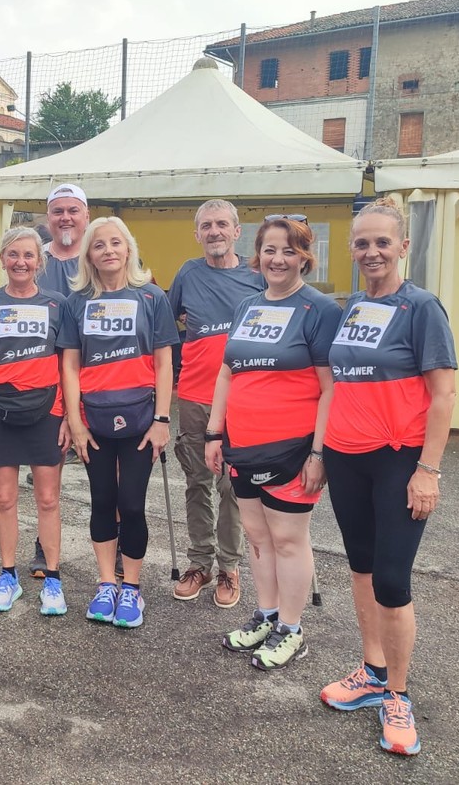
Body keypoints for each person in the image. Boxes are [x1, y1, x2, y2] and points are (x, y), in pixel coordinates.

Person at [319, 198, 457, 757]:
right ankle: (372, 672)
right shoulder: (351, 306)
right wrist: (322, 452)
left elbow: (444, 393)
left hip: (399, 459)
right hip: (346, 455)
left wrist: (428, 469)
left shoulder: (422, 307)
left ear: (402, 246)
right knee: (361, 567)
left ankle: (397, 695)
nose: (371, 252)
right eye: (361, 243)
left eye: (382, 242)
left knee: (392, 581)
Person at [204, 217, 342, 670]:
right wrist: (214, 432)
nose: (278, 259)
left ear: (305, 256)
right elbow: (227, 373)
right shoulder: (249, 306)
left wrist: (319, 453)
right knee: (258, 537)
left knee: (287, 539)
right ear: (256, 255)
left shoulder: (319, 309)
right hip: (243, 446)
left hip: (293, 449)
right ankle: (265, 615)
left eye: (289, 251)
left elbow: (330, 389)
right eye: (269, 250)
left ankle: (292, 628)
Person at [59, 217, 178, 629]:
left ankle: (132, 588)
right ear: (88, 255)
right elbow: (70, 366)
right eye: (99, 245)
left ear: (128, 248)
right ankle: (106, 583)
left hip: (142, 420)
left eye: (116, 243)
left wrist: (163, 419)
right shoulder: (76, 302)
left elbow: (165, 363)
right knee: (102, 501)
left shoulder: (151, 297)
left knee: (131, 504)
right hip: (94, 421)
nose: (108, 250)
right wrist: (75, 421)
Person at [0, 227, 68, 615]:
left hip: (47, 412)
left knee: (48, 499)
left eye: (28, 255)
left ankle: (53, 580)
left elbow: (67, 364)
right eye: (13, 255)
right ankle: (8, 576)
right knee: (5, 499)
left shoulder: (58, 303)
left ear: (39, 262)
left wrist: (69, 418)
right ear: (2, 259)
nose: (21, 262)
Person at [168, 199, 263, 608]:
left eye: (222, 224)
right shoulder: (188, 273)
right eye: (206, 225)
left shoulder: (257, 277)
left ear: (237, 231)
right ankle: (199, 563)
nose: (214, 231)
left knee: (232, 487)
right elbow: (164, 327)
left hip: (243, 400)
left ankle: (229, 565)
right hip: (194, 397)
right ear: (197, 234)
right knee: (197, 483)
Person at [28, 182, 92, 574]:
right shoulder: (37, 260)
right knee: (49, 477)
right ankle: (43, 545)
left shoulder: (101, 255)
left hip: (98, 381)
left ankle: (115, 546)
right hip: (47, 385)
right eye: (58, 211)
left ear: (86, 216)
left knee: (107, 470)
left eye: (73, 210)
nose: (65, 217)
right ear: (48, 218)